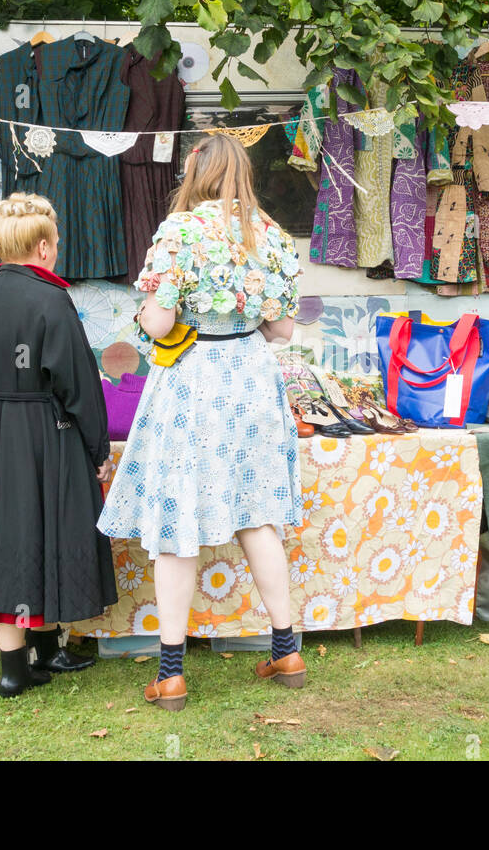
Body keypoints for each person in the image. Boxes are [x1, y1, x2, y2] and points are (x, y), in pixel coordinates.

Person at [97, 133, 305, 712]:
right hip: (252, 377)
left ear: (197, 173)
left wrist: (145, 314)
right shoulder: (273, 237)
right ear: (243, 173)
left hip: (193, 381)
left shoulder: (181, 232)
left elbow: (161, 325)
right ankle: (286, 650)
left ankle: (171, 673)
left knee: (177, 516)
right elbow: (282, 332)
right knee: (258, 514)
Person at [0, 192, 117, 698]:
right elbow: (79, 386)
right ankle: (39, 653)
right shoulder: (51, 299)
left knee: (2, 539)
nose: (57, 251)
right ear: (42, 248)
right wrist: (96, 449)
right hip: (42, 429)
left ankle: (19, 665)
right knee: (43, 533)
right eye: (56, 243)